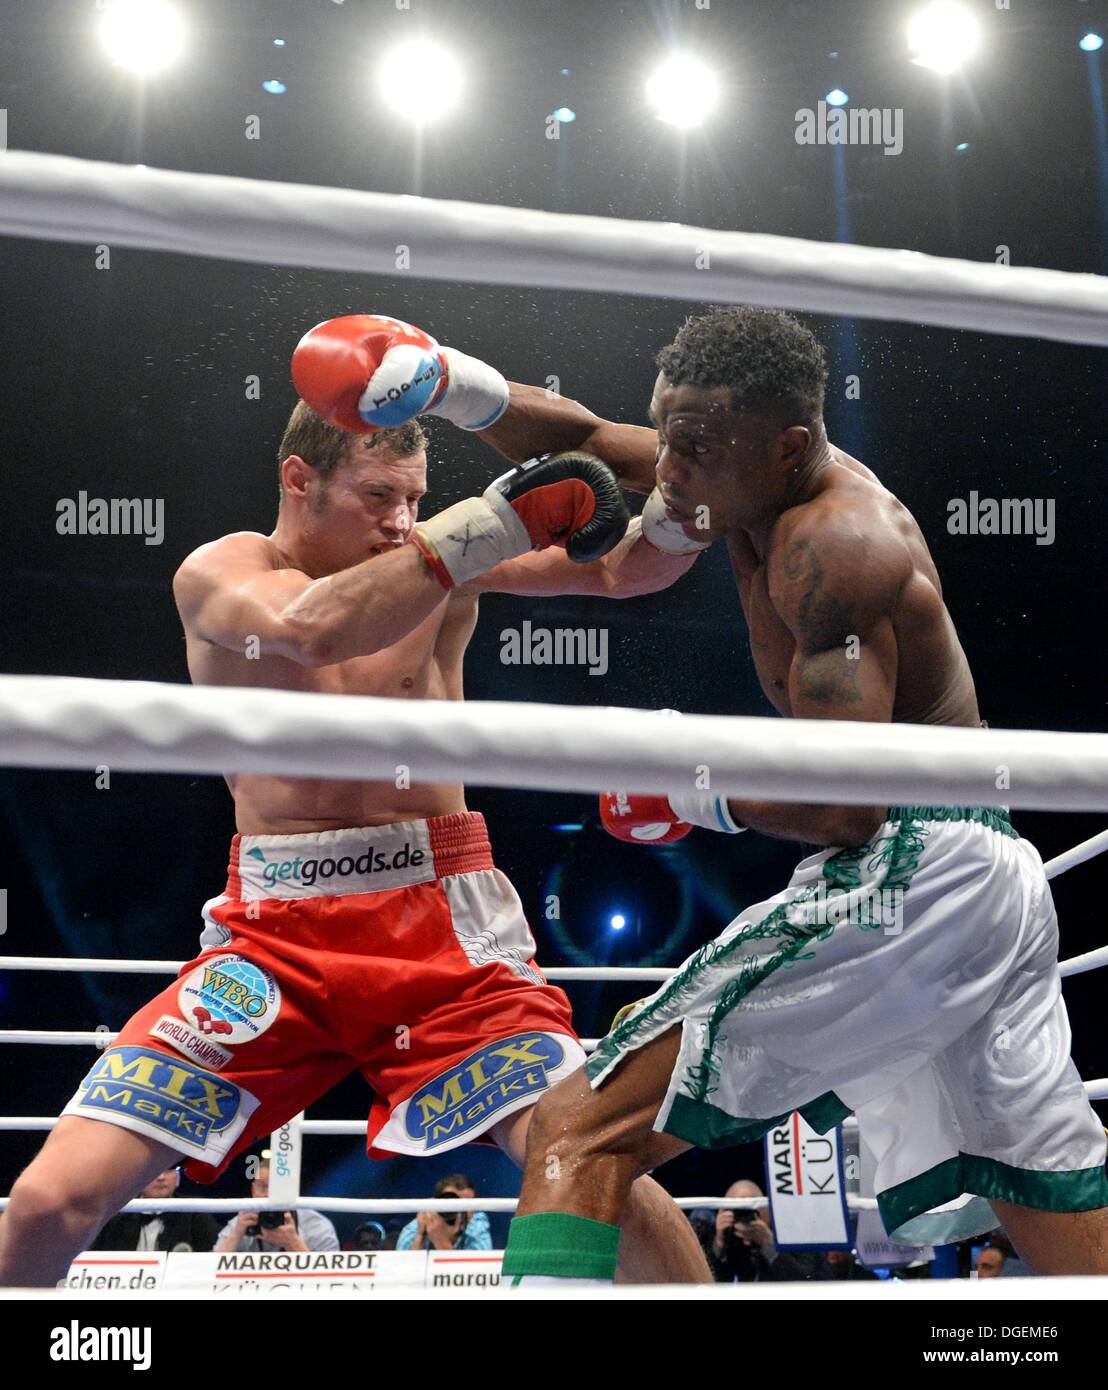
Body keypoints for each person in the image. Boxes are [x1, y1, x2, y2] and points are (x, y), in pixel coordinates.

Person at [0, 321, 710, 1287]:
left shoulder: (443, 557)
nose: (400, 521)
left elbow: (643, 568)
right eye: (380, 497)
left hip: (441, 931)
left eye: (417, 501)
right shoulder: (221, 572)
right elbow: (308, 633)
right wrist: (485, 525)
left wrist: (700, 479)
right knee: (49, 1199)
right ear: (300, 479)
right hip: (271, 940)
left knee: (593, 1165)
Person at [454, 303, 1107, 1283]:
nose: (667, 475)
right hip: (989, 875)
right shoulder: (731, 465)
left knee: (579, 1122)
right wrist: (448, 385)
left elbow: (851, 806)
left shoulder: (831, 547)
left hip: (912, 868)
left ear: (788, 447)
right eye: (667, 439)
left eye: (694, 453)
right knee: (1037, 1189)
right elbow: (585, 437)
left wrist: (695, 784)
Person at [213, 1156, 338, 1254]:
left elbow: (335, 1279)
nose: (268, 1194)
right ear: (253, 1189)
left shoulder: (317, 1226)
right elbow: (209, 1270)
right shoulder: (240, 1223)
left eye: (277, 1187)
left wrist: (293, 1244)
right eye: (262, 1186)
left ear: (291, 1190)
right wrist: (236, 1235)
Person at [88, 1164, 218, 1254]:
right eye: (153, 1171)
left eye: (168, 1170)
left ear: (177, 1179)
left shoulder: (193, 1210)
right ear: (139, 1179)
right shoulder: (117, 1213)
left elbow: (217, 1253)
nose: (161, 1177)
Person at [697, 1180, 809, 1283]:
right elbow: (700, 1284)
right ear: (722, 1211)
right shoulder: (709, 1237)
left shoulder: (790, 1238)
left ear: (767, 1211)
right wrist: (719, 1243)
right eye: (736, 1209)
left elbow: (805, 1283)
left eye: (749, 1209)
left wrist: (769, 1245)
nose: (744, 1216)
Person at [396, 1173, 492, 1252]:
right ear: (435, 1203)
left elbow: (479, 1270)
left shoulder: (477, 1223)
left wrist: (441, 1242)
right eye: (451, 1203)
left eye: (466, 1205)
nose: (458, 1210)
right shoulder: (420, 1223)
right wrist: (420, 1235)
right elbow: (402, 1271)